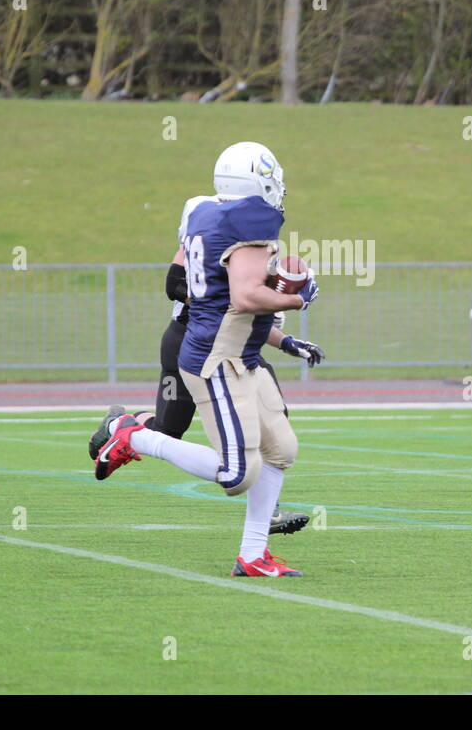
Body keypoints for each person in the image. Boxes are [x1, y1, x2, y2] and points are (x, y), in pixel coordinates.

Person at [89, 141, 318, 576]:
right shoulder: (249, 219)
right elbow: (245, 295)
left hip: (241, 352)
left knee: (281, 448)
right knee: (236, 474)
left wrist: (281, 328)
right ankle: (131, 434)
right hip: (216, 358)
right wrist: (298, 299)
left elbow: (224, 289)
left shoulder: (203, 211)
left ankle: (252, 555)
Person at [147, 188, 325, 536]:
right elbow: (180, 285)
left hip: (231, 348)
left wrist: (286, 336)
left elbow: (246, 307)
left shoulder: (243, 243)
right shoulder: (211, 238)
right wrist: (280, 298)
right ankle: (124, 429)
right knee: (169, 431)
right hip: (196, 343)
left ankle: (265, 515)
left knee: (273, 429)